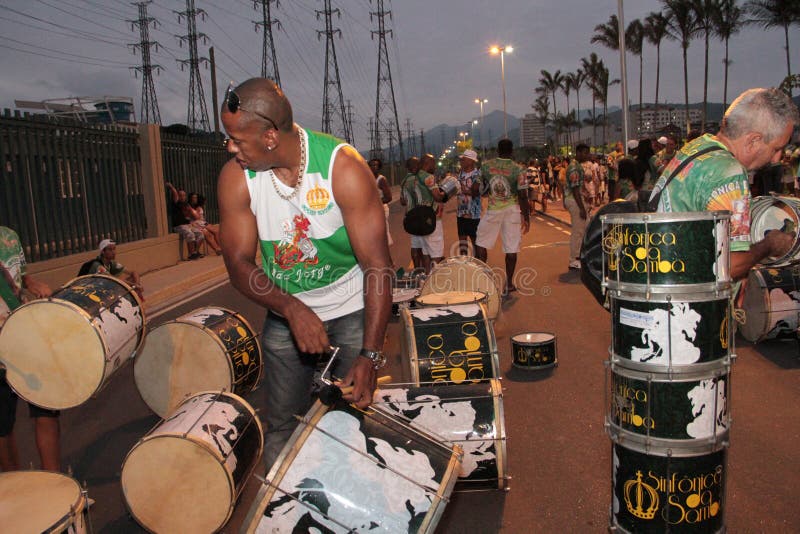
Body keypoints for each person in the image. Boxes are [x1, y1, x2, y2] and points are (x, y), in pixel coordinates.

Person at [216, 78, 392, 467]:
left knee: (350, 426)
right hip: (284, 316)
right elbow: (238, 265)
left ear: (269, 137)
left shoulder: (341, 168)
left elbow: (378, 267)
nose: (230, 147)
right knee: (282, 425)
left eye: (236, 139)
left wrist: (370, 355)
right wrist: (291, 309)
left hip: (349, 311)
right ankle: (291, 518)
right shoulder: (236, 178)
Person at [650, 87, 800, 281]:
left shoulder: (700, 147)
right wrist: (769, 245)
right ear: (753, 140)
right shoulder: (729, 172)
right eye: (776, 148)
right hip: (688, 301)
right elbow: (728, 267)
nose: (776, 159)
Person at [0, 226, 60, 472]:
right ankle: (15, 490)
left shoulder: (10, 236)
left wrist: (32, 284)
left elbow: (20, 279)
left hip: (26, 334)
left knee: (45, 407)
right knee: (2, 425)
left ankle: (55, 484)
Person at [475, 138, 530, 294]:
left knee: (481, 241)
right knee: (511, 247)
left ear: (497, 150)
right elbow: (523, 195)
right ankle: (509, 284)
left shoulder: (486, 166)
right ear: (512, 151)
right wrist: (526, 217)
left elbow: (477, 187)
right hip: (512, 210)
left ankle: (482, 279)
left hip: (493, 209)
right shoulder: (519, 169)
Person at [79, 239, 145, 301]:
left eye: (114, 249)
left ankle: (137, 303)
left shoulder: (111, 263)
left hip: (99, 289)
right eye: (110, 250)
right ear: (103, 252)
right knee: (118, 285)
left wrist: (137, 284)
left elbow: (133, 272)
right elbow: (114, 279)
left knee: (131, 279)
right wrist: (133, 286)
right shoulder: (97, 265)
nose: (113, 252)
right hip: (85, 292)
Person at [563, 144, 590, 271]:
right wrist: (581, 208)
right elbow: (574, 189)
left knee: (583, 229)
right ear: (578, 152)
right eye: (585, 153)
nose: (587, 155)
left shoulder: (577, 166)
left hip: (576, 199)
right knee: (578, 231)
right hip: (574, 200)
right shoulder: (574, 167)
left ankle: (579, 256)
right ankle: (574, 259)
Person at [418, 154, 446, 270]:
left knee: (426, 252)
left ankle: (427, 279)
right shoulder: (428, 177)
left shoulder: (415, 176)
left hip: (419, 218)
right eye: (433, 163)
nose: (435, 166)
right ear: (428, 163)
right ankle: (434, 282)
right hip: (432, 218)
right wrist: (445, 193)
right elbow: (437, 197)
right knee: (436, 253)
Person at [165, 182, 205, 259]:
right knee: (190, 234)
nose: (182, 197)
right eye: (180, 195)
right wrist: (171, 187)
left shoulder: (187, 204)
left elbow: (194, 215)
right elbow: (175, 194)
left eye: (184, 195)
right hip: (179, 226)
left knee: (200, 234)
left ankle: (195, 252)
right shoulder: (176, 203)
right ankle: (191, 254)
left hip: (187, 225)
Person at [456, 150, 482, 256]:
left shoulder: (478, 174)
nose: (461, 160)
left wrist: (461, 189)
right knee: (462, 245)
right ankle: (464, 267)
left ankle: (479, 267)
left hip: (474, 215)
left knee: (476, 244)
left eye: (464, 159)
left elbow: (475, 192)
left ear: (471, 161)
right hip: (460, 214)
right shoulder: (460, 173)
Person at [368, 158, 393, 247]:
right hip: (370, 211)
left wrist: (375, 202)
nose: (373, 167)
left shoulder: (381, 179)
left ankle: (386, 254)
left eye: (376, 165)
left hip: (381, 209)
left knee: (382, 233)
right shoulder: (367, 179)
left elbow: (389, 197)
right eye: (371, 165)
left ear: (379, 167)